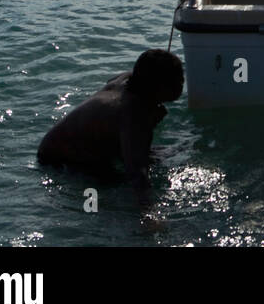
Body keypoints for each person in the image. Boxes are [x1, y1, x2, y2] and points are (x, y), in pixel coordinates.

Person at [37, 49, 185, 207]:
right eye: (177, 80)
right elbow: (137, 175)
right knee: (117, 183)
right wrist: (149, 216)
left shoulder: (127, 79)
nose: (182, 83)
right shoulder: (133, 116)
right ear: (159, 86)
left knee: (160, 155)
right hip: (59, 159)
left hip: (60, 143)